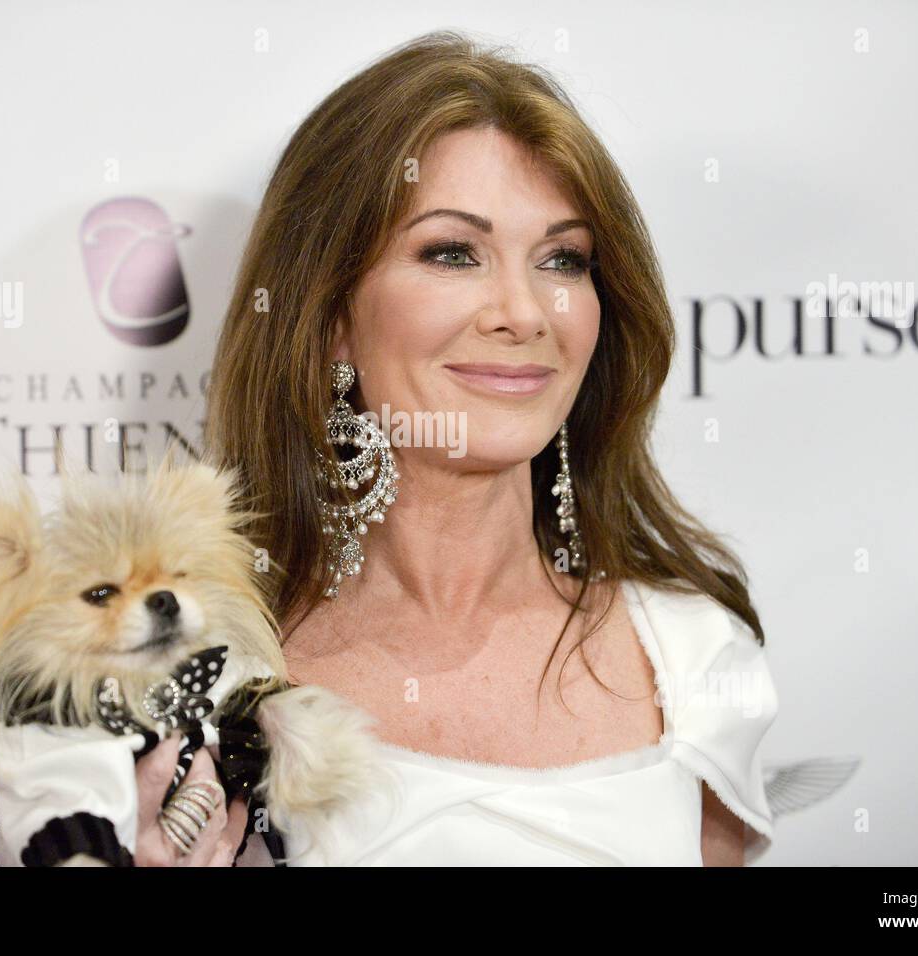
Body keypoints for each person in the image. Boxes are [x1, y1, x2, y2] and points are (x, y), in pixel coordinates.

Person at [133, 30, 779, 867]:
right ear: (331, 318)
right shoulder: (200, 675)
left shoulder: (694, 662)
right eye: (452, 253)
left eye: (562, 258)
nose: (525, 310)